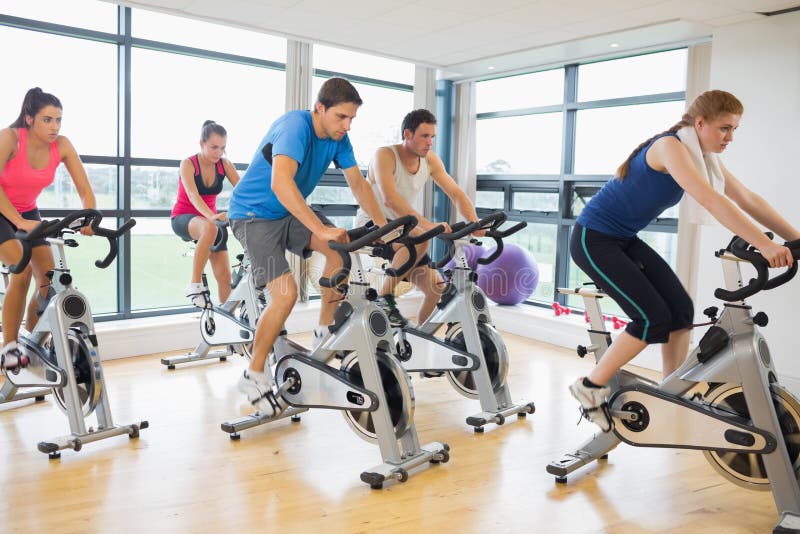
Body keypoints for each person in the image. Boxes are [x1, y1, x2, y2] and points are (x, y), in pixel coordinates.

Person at [568, 89, 800, 432]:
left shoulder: (703, 157)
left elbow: (747, 198)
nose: (730, 137)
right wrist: (764, 244)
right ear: (700, 123)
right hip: (593, 239)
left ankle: (670, 391)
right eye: (724, 128)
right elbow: (710, 200)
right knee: (651, 319)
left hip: (623, 239)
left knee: (680, 312)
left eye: (734, 130)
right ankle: (589, 387)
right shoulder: (670, 147)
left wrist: (794, 238)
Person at [227, 77, 388, 415]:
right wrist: (319, 228)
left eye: (352, 118)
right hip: (253, 216)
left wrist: (383, 227)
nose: (347, 125)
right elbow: (281, 183)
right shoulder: (294, 126)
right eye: (341, 117)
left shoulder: (339, 139)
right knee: (285, 295)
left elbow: (358, 184)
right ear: (320, 108)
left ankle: (323, 333)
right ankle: (253, 374)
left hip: (287, 212)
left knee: (340, 247)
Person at [355, 108, 481, 326]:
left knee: (436, 290)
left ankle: (422, 337)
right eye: (424, 136)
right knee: (422, 239)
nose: (430, 142)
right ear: (407, 134)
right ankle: (383, 298)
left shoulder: (430, 160)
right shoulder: (385, 156)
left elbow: (456, 193)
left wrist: (475, 222)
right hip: (374, 224)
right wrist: (428, 226)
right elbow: (390, 199)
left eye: (432, 136)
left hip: (404, 228)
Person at [0, 87, 96, 371]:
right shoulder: (9, 138)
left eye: (58, 120)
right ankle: (9, 348)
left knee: (49, 280)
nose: (55, 126)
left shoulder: (62, 145)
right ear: (29, 119)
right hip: (4, 211)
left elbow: (84, 189)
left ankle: (33, 341)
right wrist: (18, 221)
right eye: (47, 119)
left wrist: (89, 216)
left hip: (27, 212)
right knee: (22, 270)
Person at [171, 120, 240, 308]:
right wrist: (211, 216)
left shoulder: (225, 165)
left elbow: (243, 190)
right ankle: (194, 285)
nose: (219, 153)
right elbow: (192, 195)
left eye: (223, 148)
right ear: (202, 143)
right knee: (210, 228)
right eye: (214, 147)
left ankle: (228, 318)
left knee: (225, 278)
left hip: (211, 224)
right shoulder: (188, 164)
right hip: (183, 218)